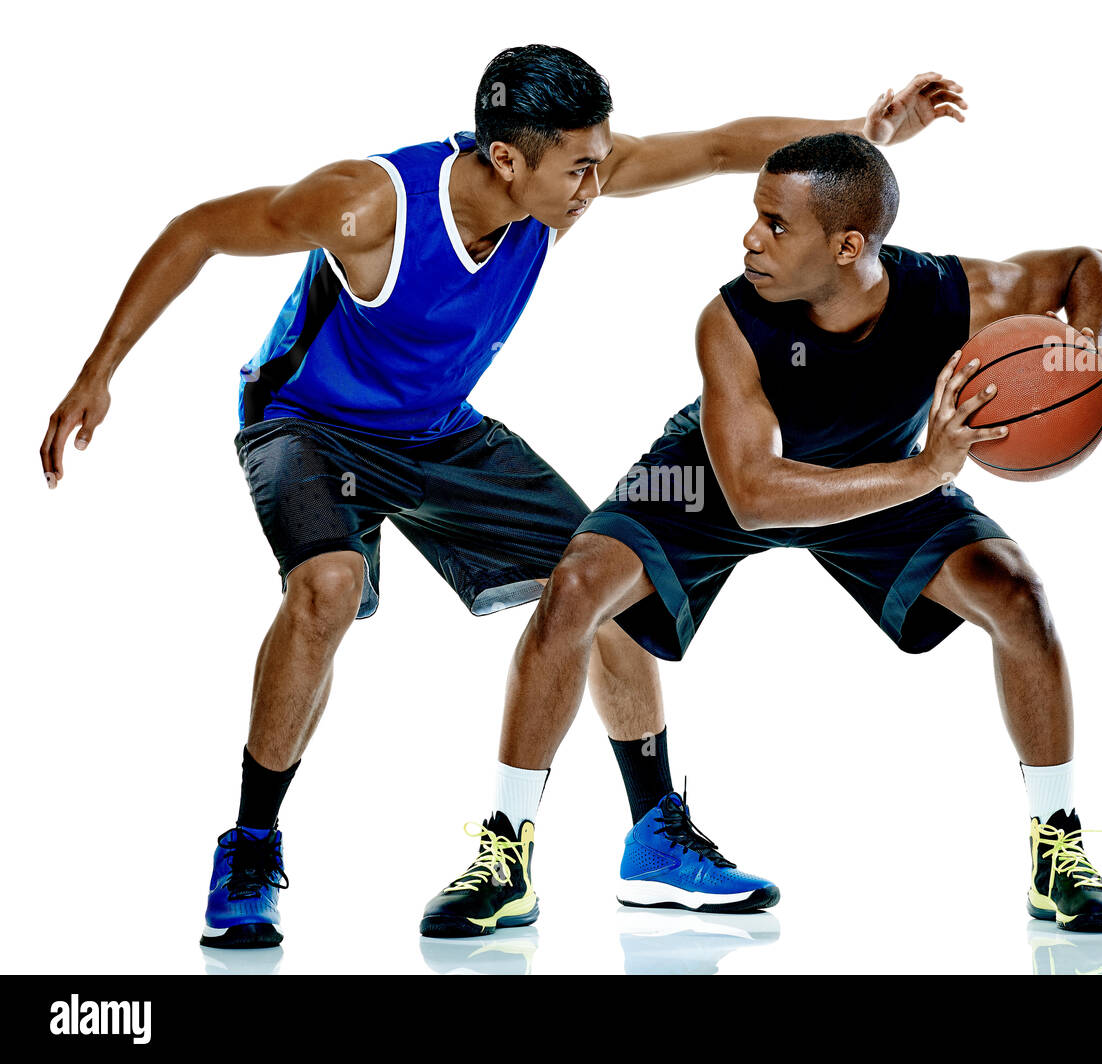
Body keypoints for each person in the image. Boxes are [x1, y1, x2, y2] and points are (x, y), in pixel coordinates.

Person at [39, 44, 967, 948]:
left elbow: (724, 147)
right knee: (322, 589)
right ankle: (250, 850)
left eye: (602, 162)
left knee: (609, 573)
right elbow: (199, 228)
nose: (595, 187)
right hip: (309, 424)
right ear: (509, 158)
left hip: (439, 429)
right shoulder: (371, 207)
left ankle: (655, 836)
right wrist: (97, 372)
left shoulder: (560, 186)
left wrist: (865, 127)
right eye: (579, 168)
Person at [437, 131, 1102, 936]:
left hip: (876, 477)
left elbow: (1091, 268)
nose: (749, 238)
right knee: (578, 588)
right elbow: (757, 495)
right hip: (717, 477)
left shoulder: (949, 294)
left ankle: (1058, 846)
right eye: (754, 216)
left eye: (775, 223)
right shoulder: (730, 322)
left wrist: (1082, 358)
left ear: (848, 246)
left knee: (1016, 593)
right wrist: (928, 471)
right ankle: (507, 854)